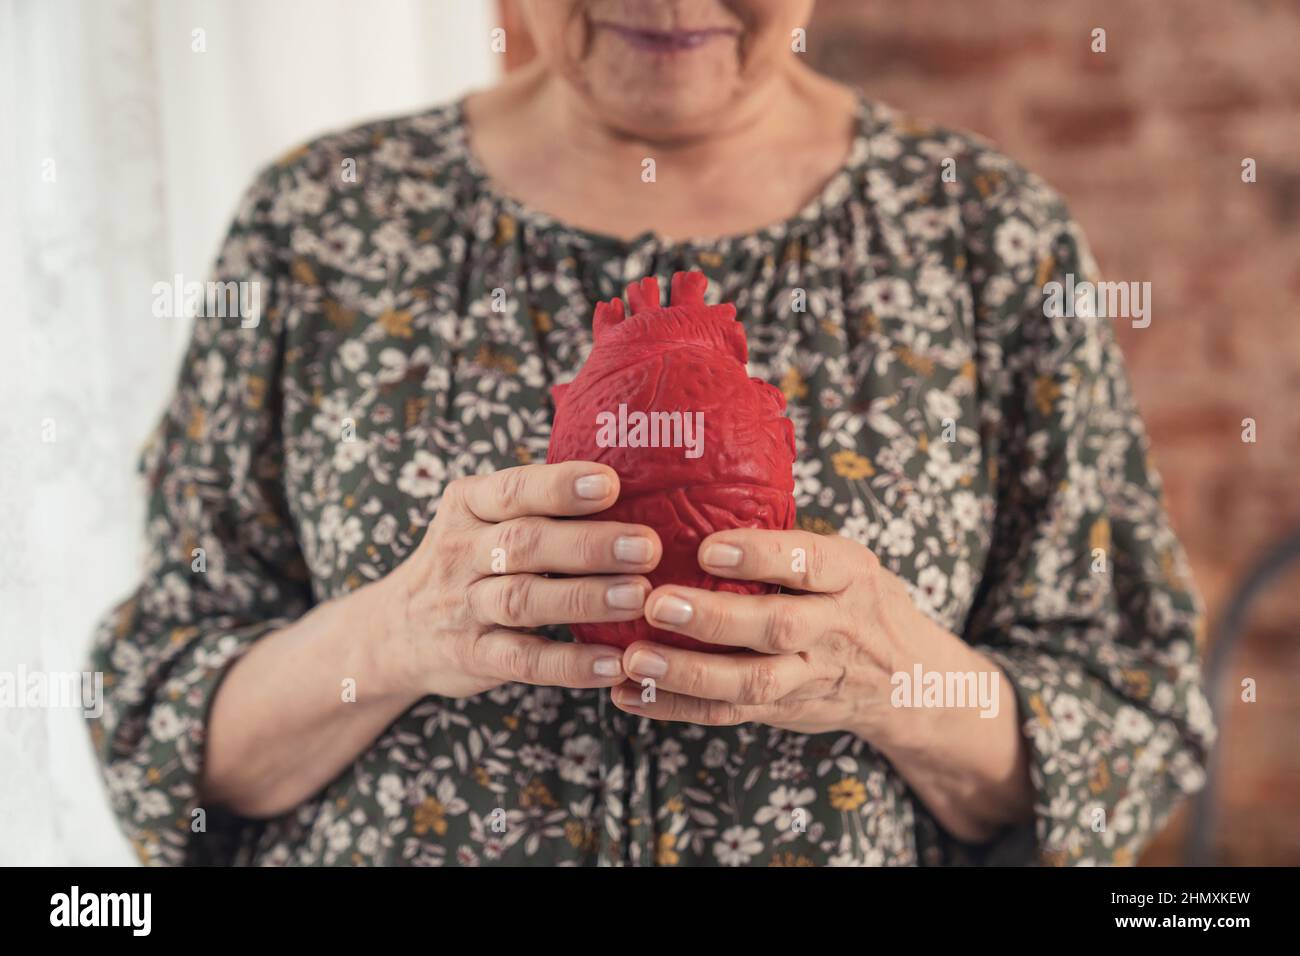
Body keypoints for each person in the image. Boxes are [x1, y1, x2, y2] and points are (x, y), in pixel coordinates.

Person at [87, 0, 1215, 866]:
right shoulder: (321, 217)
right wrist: (395, 634)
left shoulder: (984, 233)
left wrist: (901, 681)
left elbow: (1133, 718)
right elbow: (156, 711)